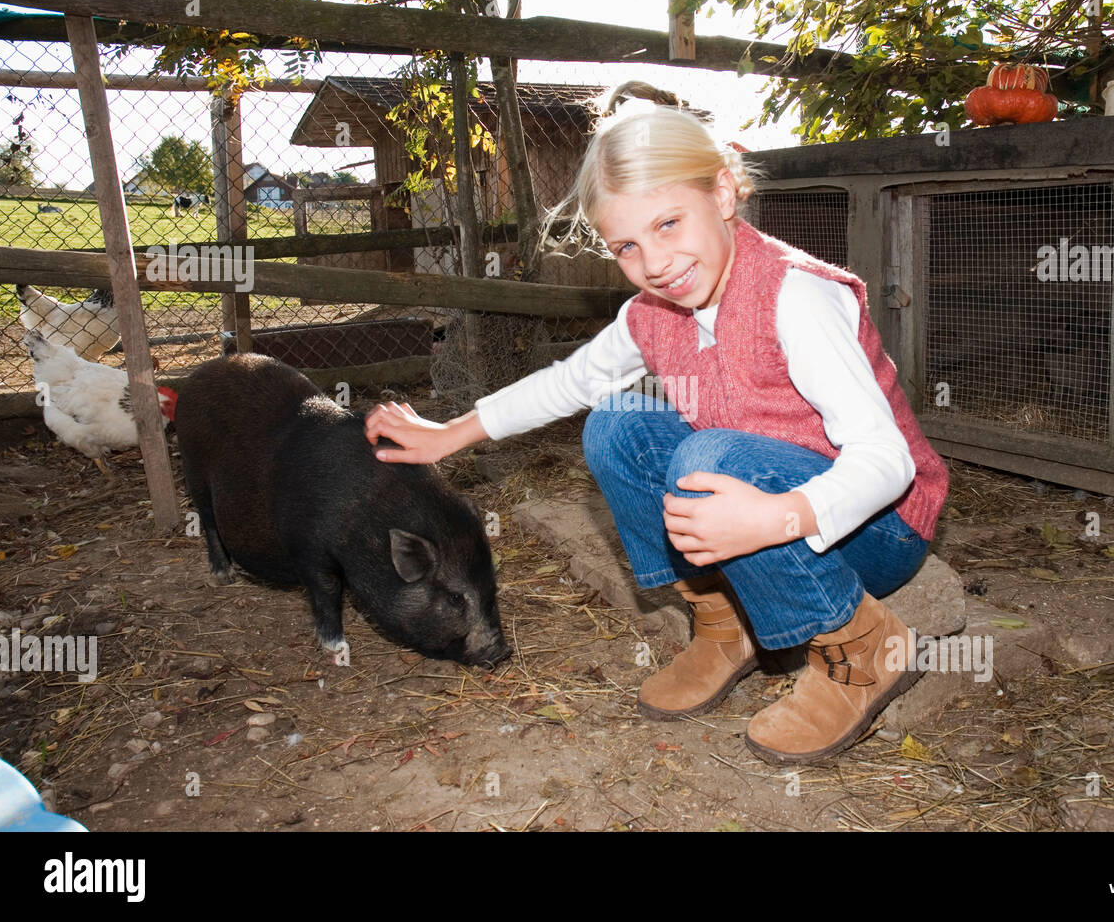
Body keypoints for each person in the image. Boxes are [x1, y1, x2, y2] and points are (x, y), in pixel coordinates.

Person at [363, 80, 950, 764]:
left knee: (709, 458)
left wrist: (781, 518)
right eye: (627, 247)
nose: (656, 264)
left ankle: (860, 645)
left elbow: (889, 462)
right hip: (760, 515)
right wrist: (450, 432)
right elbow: (572, 380)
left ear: (724, 195)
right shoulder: (651, 314)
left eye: (669, 224)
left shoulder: (796, 297)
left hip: (874, 528)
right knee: (617, 423)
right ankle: (725, 622)